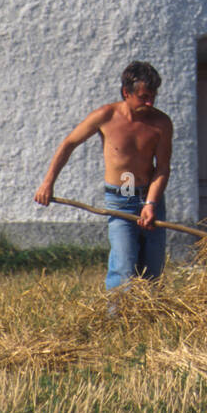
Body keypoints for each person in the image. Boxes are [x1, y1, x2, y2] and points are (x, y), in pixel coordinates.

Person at [34, 60, 173, 288]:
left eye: (153, 97)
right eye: (144, 96)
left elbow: (163, 168)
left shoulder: (161, 123)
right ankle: (115, 320)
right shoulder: (105, 116)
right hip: (120, 199)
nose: (150, 102)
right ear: (126, 92)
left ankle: (147, 320)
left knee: (152, 270)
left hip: (149, 197)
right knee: (124, 267)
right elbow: (68, 144)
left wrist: (150, 204)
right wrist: (47, 183)